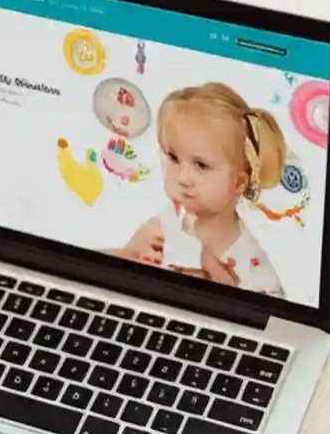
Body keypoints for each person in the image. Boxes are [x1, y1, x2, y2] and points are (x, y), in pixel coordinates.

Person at [109, 82, 287, 297]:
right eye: (173, 157)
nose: (183, 178)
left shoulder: (255, 270)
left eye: (201, 165)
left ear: (239, 183)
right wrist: (131, 257)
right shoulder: (161, 229)